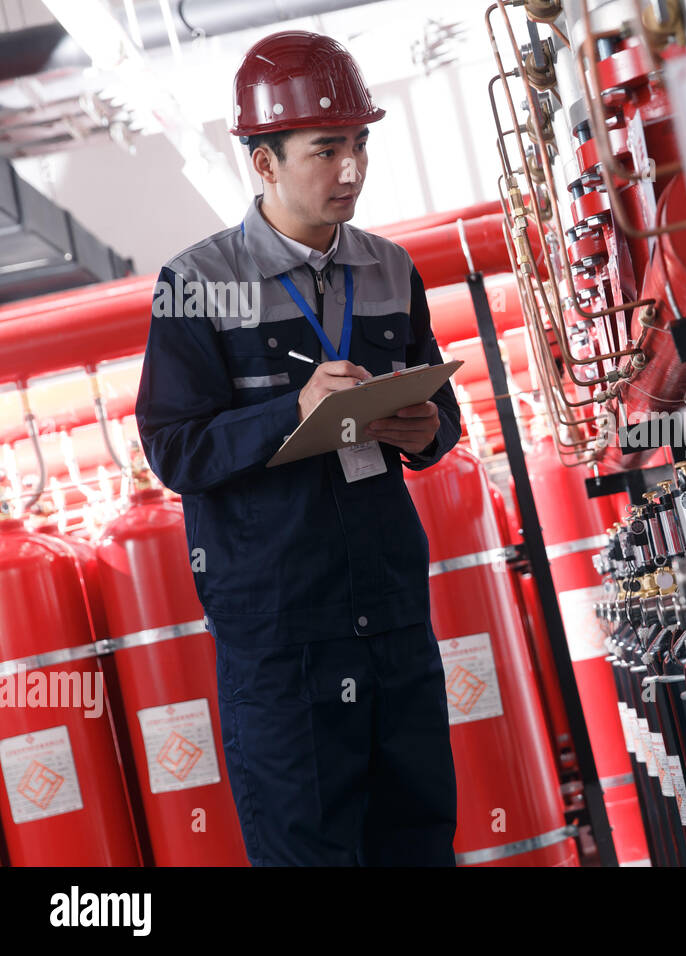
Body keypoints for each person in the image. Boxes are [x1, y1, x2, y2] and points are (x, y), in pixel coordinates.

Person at [135, 30, 461, 866]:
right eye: (327, 149)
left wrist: (431, 433)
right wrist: (294, 412)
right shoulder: (197, 285)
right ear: (264, 161)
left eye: (359, 144)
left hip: (391, 613)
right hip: (285, 639)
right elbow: (175, 450)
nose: (351, 169)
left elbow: (438, 405)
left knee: (420, 842)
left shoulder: (390, 270)